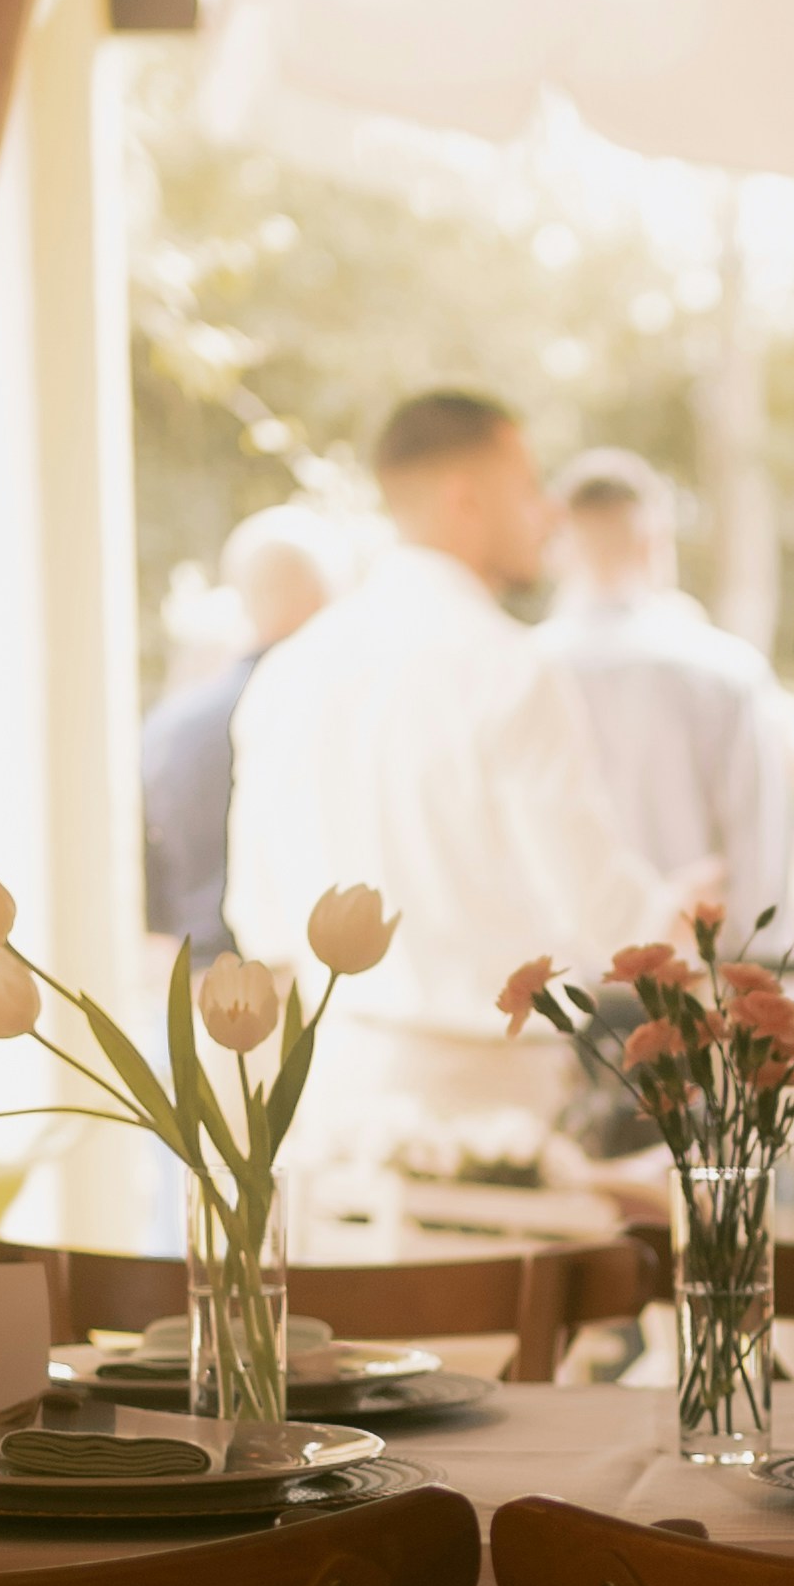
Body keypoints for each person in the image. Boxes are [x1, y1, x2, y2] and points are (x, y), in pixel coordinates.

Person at [223, 392, 640, 1146]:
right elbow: (597, 909)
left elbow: (261, 920)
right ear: (463, 499)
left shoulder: (288, 673)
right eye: (527, 487)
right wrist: (676, 919)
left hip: (336, 1097)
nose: (547, 512)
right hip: (497, 1104)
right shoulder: (510, 668)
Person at [537, 449, 794, 943]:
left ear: (560, 546)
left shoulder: (520, 672)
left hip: (561, 975)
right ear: (655, 541)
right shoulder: (727, 672)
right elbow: (762, 851)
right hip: (697, 972)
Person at [139, 508, 329, 958]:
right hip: (308, 981)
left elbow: (149, 898)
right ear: (321, 593)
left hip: (196, 982)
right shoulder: (330, 712)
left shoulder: (168, 730)